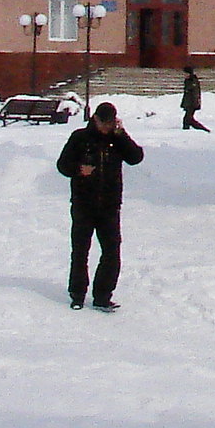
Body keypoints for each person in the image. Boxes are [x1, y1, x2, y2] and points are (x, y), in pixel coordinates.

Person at [55, 101, 144, 311]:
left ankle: (103, 295)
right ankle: (77, 294)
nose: (106, 127)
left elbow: (136, 157)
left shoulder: (117, 139)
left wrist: (122, 135)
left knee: (112, 251)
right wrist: (79, 169)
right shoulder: (80, 138)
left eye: (110, 123)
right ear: (95, 119)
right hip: (83, 204)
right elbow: (63, 165)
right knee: (80, 251)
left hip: (110, 205)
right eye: (104, 123)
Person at [180, 66, 208, 132]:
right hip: (188, 103)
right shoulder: (188, 81)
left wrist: (195, 103)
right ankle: (201, 130)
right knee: (188, 119)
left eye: (185, 73)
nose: (184, 75)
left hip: (192, 103)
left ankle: (202, 130)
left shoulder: (193, 81)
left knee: (187, 119)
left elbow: (195, 93)